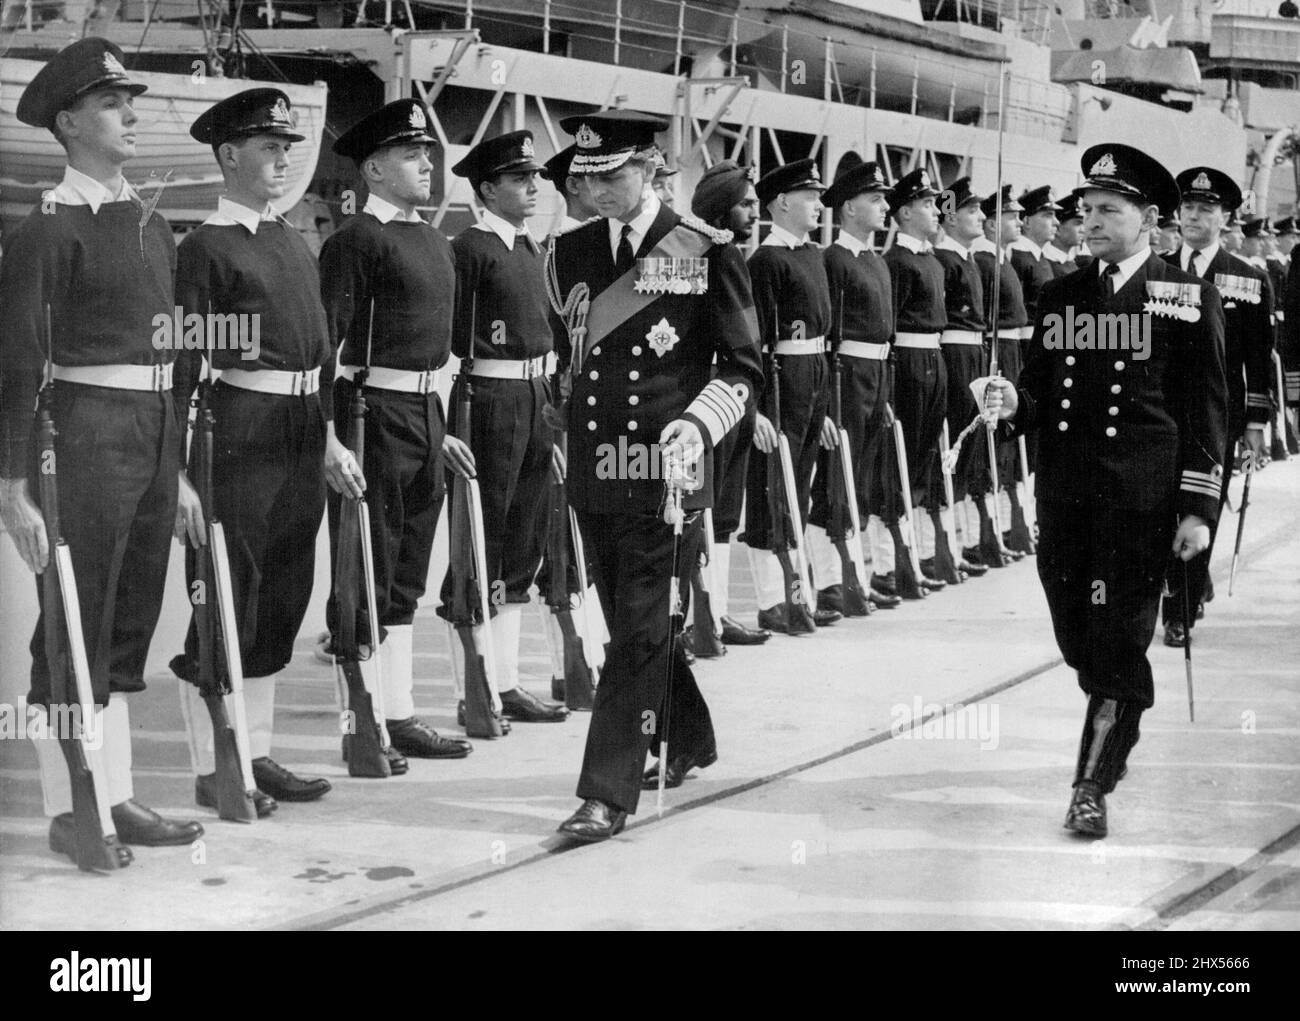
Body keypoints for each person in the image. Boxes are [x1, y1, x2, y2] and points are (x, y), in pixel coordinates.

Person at [0, 37, 204, 865]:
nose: (131, 115)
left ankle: (113, 792)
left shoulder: (153, 229)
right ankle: (67, 804)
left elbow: (178, 353)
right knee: (71, 620)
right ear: (71, 120)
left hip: (152, 437)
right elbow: (14, 360)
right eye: (115, 103)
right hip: (81, 433)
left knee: (127, 619)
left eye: (130, 100)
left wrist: (180, 466)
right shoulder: (45, 234)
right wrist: (11, 484)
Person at [985, 143, 1227, 838]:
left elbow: (1206, 408)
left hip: (1140, 503)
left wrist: (1198, 508)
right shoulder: (1062, 293)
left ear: (1148, 217)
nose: (1089, 221)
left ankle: (1090, 783)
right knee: (1079, 633)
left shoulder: (1183, 297)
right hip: (1065, 498)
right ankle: (1120, 701)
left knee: (1119, 639)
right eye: (1086, 209)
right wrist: (1011, 405)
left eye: (1107, 210)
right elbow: (1038, 392)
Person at [546, 110, 763, 841]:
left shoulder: (702, 250)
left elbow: (742, 368)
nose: (598, 190)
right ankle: (689, 735)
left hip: (662, 470)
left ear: (650, 166)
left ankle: (605, 791)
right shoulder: (569, 253)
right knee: (631, 622)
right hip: (595, 469)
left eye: (612, 176)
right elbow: (567, 361)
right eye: (587, 179)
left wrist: (697, 426)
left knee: (635, 629)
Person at [170, 88, 335, 807]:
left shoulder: (287, 238)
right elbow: (182, 363)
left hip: (299, 430)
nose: (282, 160)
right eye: (268, 147)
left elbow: (319, 353)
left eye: (286, 147)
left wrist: (326, 437)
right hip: (241, 429)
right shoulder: (206, 247)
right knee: (227, 593)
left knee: (282, 593)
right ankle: (215, 765)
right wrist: (176, 471)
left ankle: (255, 750)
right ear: (230, 155)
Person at [319, 99, 474, 762]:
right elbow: (328, 346)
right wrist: (328, 434)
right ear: (376, 169)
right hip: (368, 415)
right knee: (367, 569)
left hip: (423, 414)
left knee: (408, 569)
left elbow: (431, 347)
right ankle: (362, 723)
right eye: (413, 155)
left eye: (429, 154)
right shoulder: (355, 241)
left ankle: (400, 711)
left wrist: (436, 425)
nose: (427, 165)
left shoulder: (434, 242)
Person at [438, 129, 570, 728]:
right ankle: (477, 688)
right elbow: (446, 344)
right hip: (489, 398)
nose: (533, 188)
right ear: (487, 189)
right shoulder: (470, 249)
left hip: (536, 398)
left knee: (523, 540)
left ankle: (508, 682)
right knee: (482, 540)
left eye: (535, 179)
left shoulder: (529, 249)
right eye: (520, 180)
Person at [1159, 167, 1272, 647]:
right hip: (1159, 411)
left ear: (1225, 218)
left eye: (1206, 209)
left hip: (1218, 418)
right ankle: (1178, 586)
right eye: (1187, 208)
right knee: (1161, 505)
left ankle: (1179, 611)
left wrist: (1256, 423)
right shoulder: (1157, 269)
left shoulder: (1247, 280)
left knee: (1201, 507)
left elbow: (1258, 357)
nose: (1193, 216)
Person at [741, 158, 843, 631]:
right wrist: (757, 408)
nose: (821, 206)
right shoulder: (765, 261)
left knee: (798, 487)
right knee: (770, 491)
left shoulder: (812, 255)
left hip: (812, 376)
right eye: (812, 197)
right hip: (780, 381)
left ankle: (798, 587)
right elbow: (755, 342)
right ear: (782, 202)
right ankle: (771, 600)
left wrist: (822, 407)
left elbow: (824, 335)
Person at [808, 157, 902, 610]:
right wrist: (824, 404)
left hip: (875, 379)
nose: (885, 207)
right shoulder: (833, 260)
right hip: (843, 378)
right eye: (875, 199)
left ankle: (855, 573)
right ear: (847, 208)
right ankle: (828, 581)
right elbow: (826, 336)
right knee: (832, 481)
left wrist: (883, 392)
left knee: (861, 478)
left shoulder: (876, 262)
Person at [685, 159, 772, 644]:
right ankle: (706, 619)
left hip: (717, 395)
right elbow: (744, 342)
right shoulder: (723, 255)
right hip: (720, 398)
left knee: (720, 512)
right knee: (713, 509)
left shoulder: (696, 249)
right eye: (745, 203)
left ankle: (712, 617)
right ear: (722, 208)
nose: (753, 211)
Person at [883, 167, 950, 592]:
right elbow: (889, 323)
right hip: (908, 360)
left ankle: (921, 554)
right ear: (905, 213)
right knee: (902, 459)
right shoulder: (897, 262)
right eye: (927, 204)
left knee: (925, 457)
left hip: (935, 357)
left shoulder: (930, 260)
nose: (936, 211)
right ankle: (897, 558)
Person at [931, 176, 991, 579]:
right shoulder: (944, 260)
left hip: (973, 351)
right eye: (972, 210)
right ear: (950, 219)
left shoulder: (967, 259)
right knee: (951, 445)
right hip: (953, 354)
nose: (981, 216)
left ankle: (959, 542)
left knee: (968, 446)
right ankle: (941, 546)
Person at [971, 185, 1029, 566]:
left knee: (1009, 446)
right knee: (990, 445)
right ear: (992, 224)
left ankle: (1008, 527)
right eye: (1011, 216)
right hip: (995, 352)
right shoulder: (984, 261)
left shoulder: (1005, 260)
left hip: (1013, 350)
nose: (1018, 221)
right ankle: (986, 534)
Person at [543, 144, 598, 234]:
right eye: (596, 180)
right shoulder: (557, 245)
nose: (607, 187)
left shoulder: (614, 237)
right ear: (573, 185)